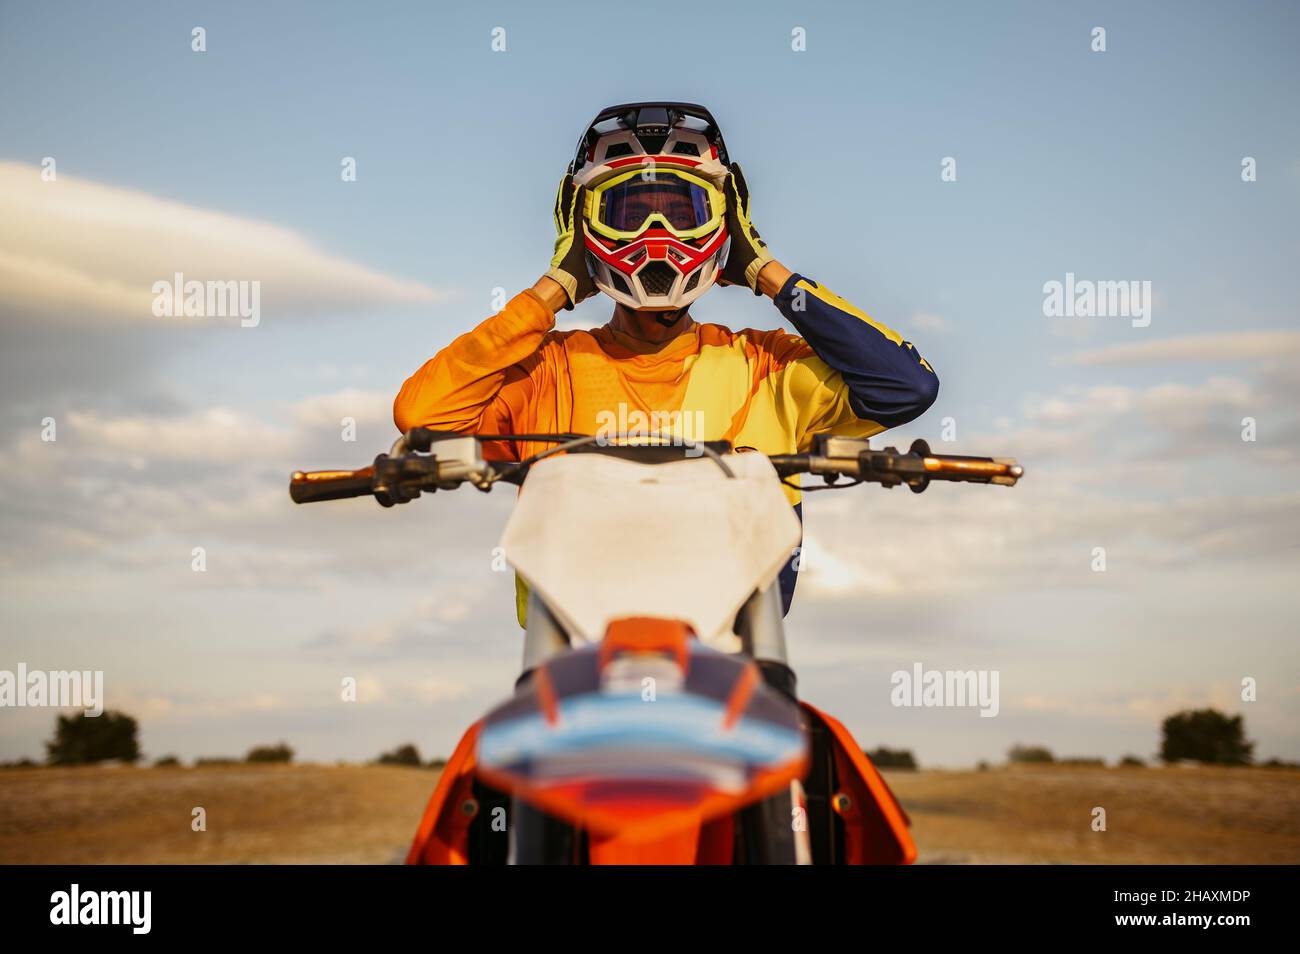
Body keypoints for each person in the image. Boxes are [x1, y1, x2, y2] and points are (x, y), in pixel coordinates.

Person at [394, 103, 938, 624]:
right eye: (630, 211)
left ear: (725, 223)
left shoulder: (763, 366)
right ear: (585, 227)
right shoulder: (544, 370)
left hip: (736, 659)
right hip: (570, 661)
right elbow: (425, 415)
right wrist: (554, 287)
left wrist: (764, 269)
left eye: (683, 210)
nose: (657, 232)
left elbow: (904, 386)